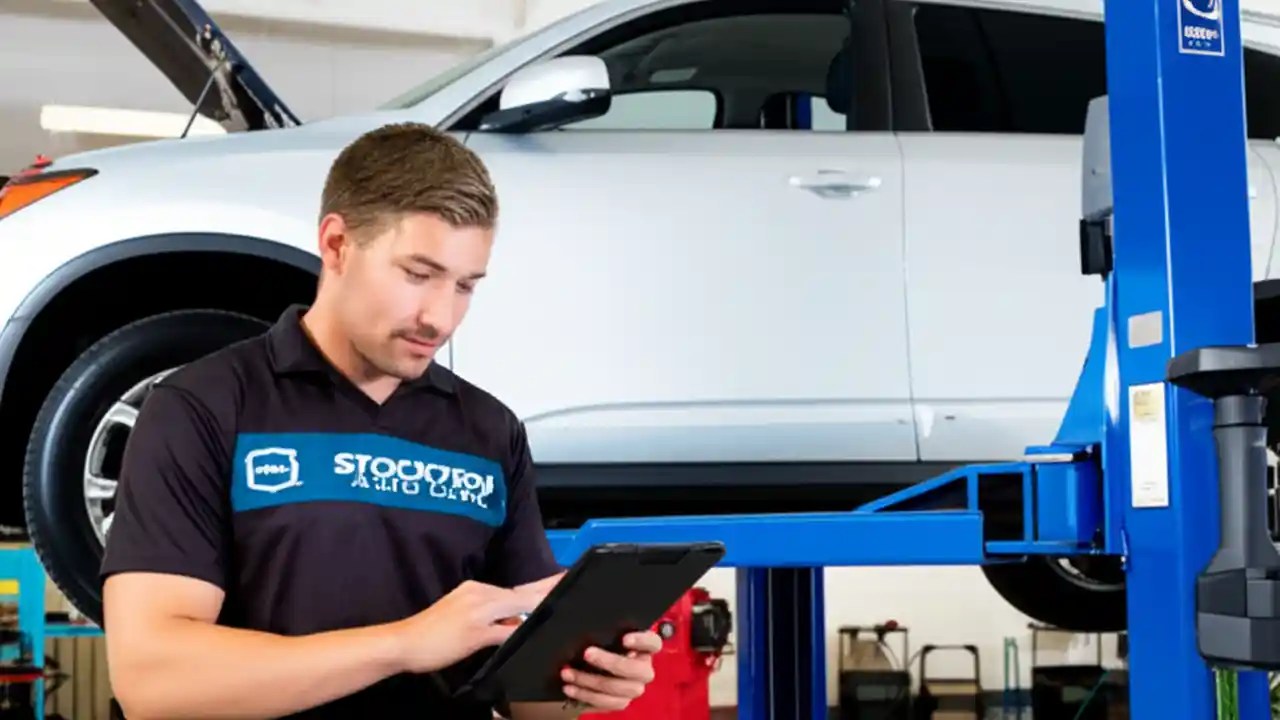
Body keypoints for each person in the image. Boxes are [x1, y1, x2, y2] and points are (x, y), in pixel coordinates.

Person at [99, 122, 663, 719]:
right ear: (337, 244)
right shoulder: (204, 408)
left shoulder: (488, 432)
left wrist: (584, 677)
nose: (440, 318)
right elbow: (151, 681)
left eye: (465, 286)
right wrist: (402, 644)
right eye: (417, 275)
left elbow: (527, 703)